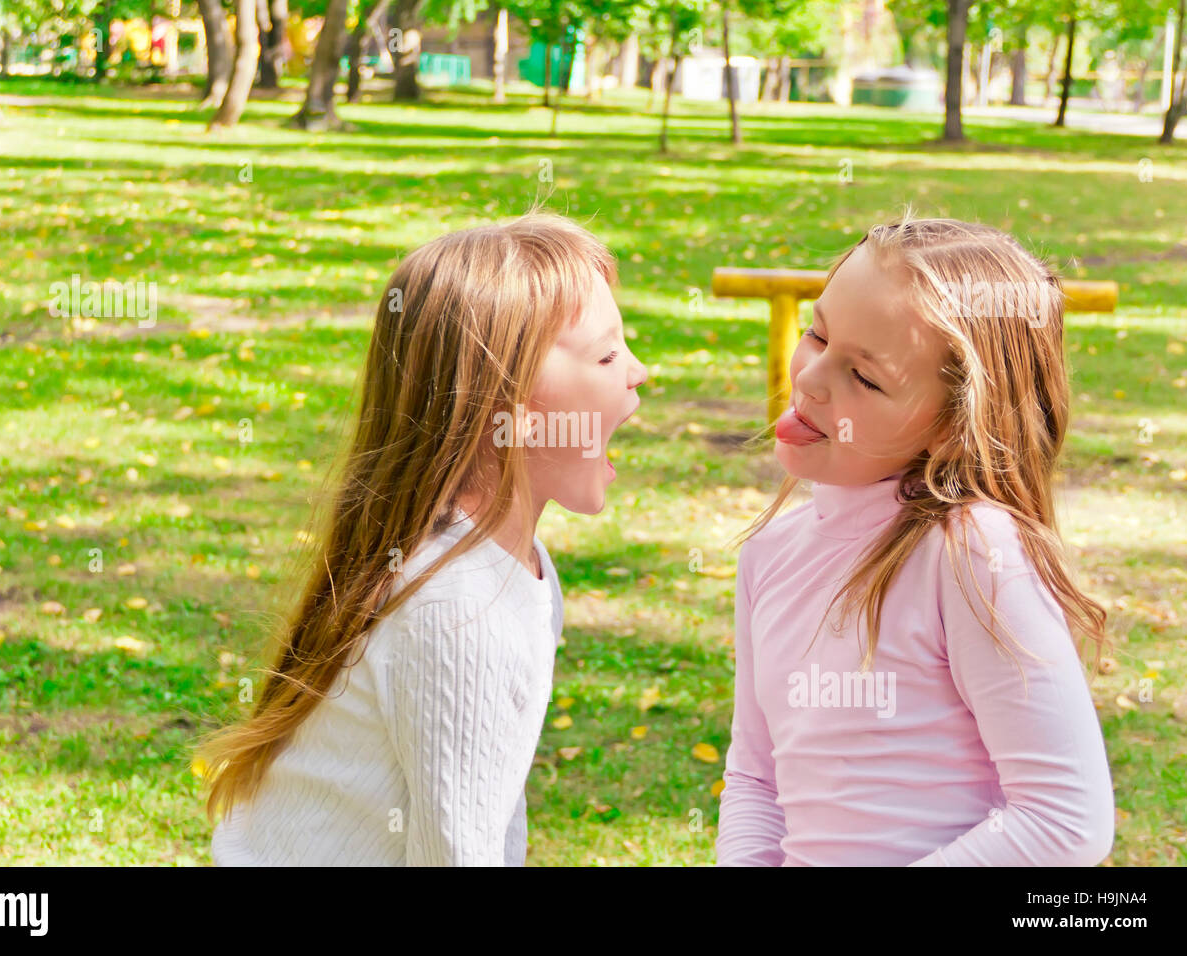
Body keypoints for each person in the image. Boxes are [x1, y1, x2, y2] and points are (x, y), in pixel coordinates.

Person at [200, 210, 646, 865]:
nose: (638, 371)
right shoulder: (459, 611)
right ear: (509, 411)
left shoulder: (513, 568)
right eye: (608, 355)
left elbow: (486, 818)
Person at [717, 213, 1115, 866]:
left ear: (954, 426)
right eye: (818, 334)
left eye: (865, 378)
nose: (813, 378)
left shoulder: (970, 551)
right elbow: (757, 776)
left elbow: (1065, 818)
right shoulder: (768, 555)